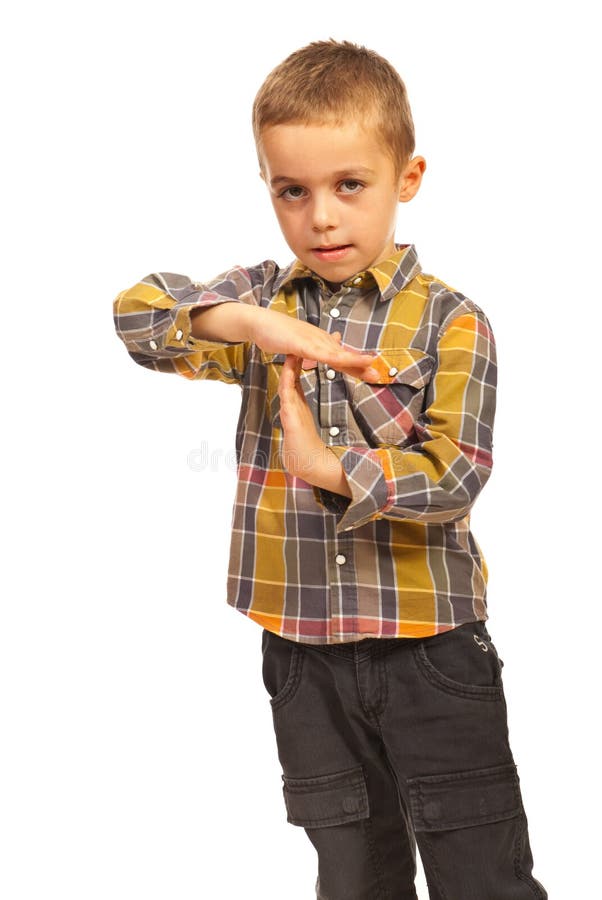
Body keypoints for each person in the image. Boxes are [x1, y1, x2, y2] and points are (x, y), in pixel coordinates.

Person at [113, 39, 547, 900]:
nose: (322, 218)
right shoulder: (261, 301)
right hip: (303, 655)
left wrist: (335, 465)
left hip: (431, 651)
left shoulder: (452, 322)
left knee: (480, 874)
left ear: (406, 177)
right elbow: (137, 317)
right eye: (292, 191)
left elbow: (457, 470)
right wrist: (252, 327)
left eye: (350, 184)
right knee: (352, 874)